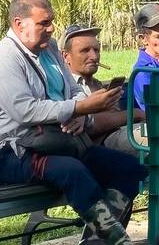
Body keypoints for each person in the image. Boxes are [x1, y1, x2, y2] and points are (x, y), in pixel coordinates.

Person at [0, 0, 146, 245]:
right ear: (19, 23)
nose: (51, 29)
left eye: (51, 22)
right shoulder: (2, 59)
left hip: (59, 143)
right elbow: (26, 111)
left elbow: (73, 91)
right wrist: (79, 108)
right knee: (73, 170)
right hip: (13, 153)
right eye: (44, 23)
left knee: (129, 168)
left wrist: (80, 115)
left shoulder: (49, 49)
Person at [62, 25, 144, 156]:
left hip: (119, 134)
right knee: (155, 137)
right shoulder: (66, 86)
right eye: (85, 50)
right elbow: (91, 126)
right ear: (66, 56)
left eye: (96, 50)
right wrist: (135, 114)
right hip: (96, 148)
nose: (94, 56)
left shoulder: (96, 83)